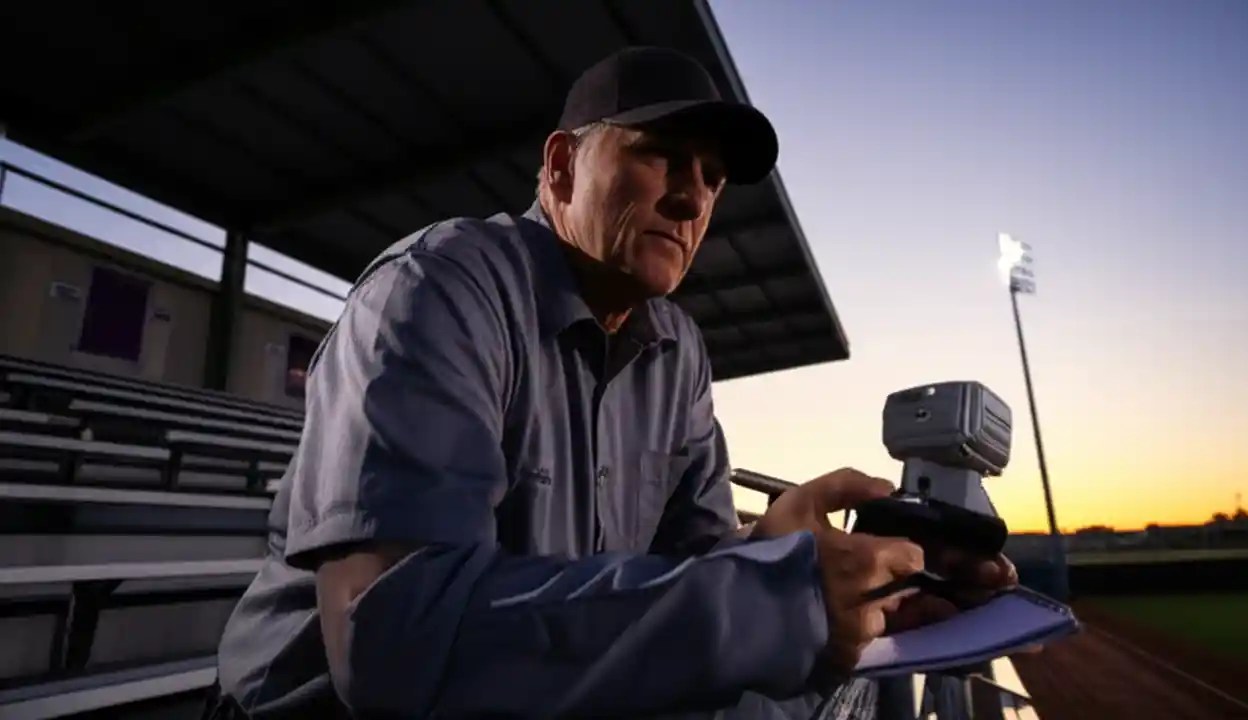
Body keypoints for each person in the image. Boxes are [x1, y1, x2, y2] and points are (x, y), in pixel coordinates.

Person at [208, 46, 1018, 719]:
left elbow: (691, 563)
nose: (691, 192)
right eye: (659, 152)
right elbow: (395, 643)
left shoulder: (680, 350)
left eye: (711, 176)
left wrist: (790, 559)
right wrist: (773, 604)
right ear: (561, 167)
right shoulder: (439, 288)